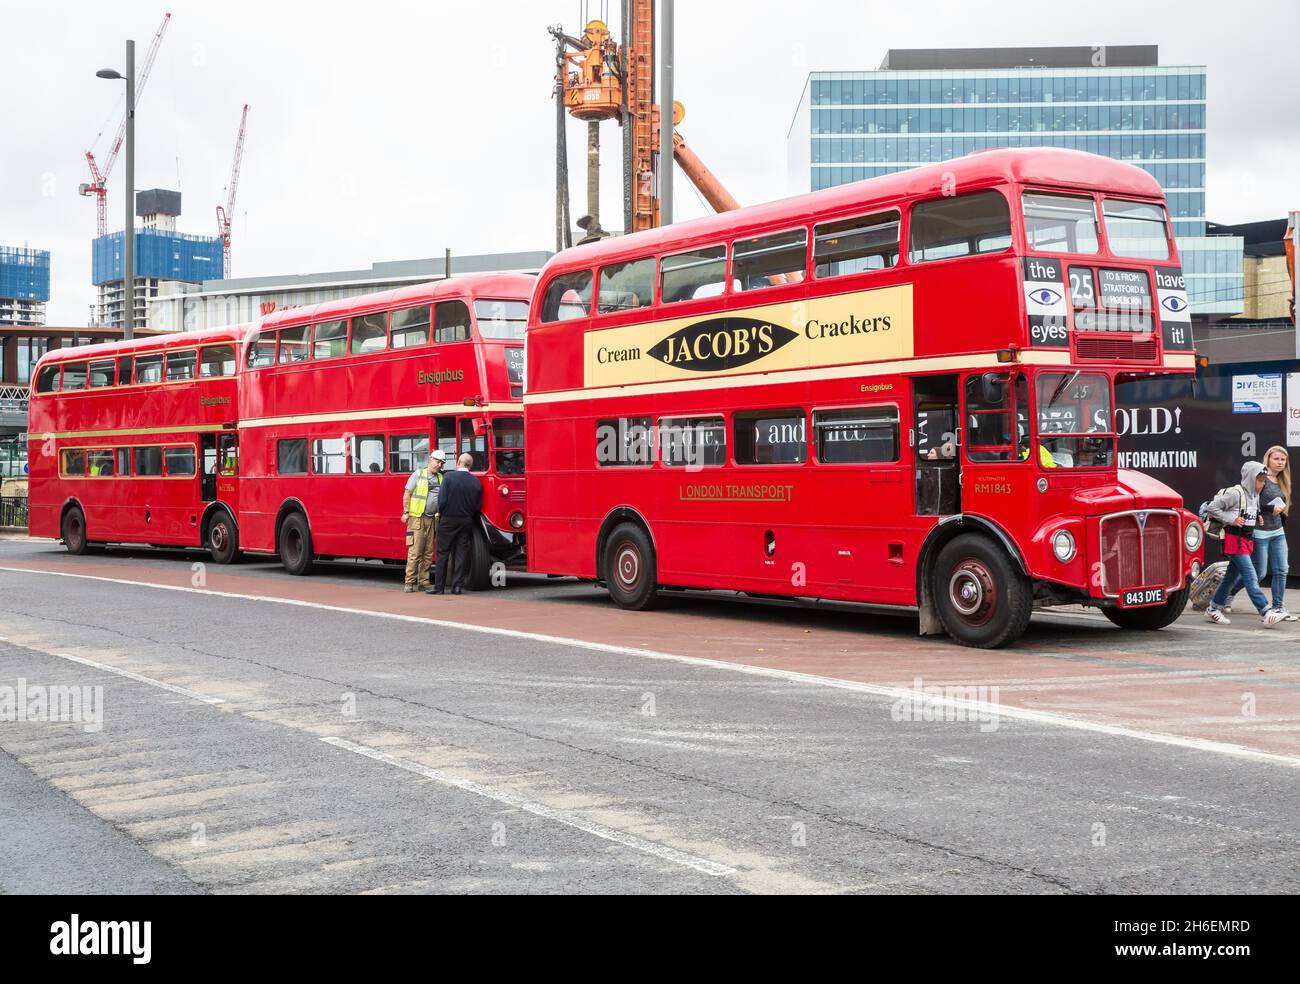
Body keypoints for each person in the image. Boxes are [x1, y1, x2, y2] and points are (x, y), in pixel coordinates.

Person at [1205, 461, 1284, 626]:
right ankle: (1266, 611)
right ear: (1250, 478)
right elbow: (1212, 508)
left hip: (1245, 542)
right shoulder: (1235, 493)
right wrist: (1231, 520)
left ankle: (1213, 609)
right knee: (1251, 576)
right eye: (1260, 480)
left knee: (1230, 578)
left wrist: (1257, 517)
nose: (1263, 484)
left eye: (1264, 480)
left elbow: (1246, 512)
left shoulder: (1254, 494)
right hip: (1235, 543)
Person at [1225, 446, 1293, 620]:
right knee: (1260, 573)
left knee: (1281, 570)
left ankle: (1278, 607)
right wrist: (1270, 508)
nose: (1280, 462)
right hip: (1260, 533)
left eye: (1283, 460)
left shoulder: (1283, 480)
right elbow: (1251, 504)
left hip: (1277, 532)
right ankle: (1229, 592)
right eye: (1276, 459)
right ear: (1268, 459)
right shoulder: (1260, 478)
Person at [429, 452, 483, 595]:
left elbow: (442, 500)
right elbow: (477, 506)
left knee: (442, 553)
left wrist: (442, 512)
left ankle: (439, 587)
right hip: (466, 520)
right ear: (470, 466)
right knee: (461, 553)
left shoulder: (448, 477)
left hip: (448, 519)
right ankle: (457, 586)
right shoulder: (476, 482)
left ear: (458, 461)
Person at [401, 449, 445, 592]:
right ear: (430, 460)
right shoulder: (418, 474)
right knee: (415, 552)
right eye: (437, 461)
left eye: (441, 463)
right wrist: (406, 512)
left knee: (428, 553)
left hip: (432, 519)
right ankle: (409, 583)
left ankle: (424, 582)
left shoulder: (440, 478)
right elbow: (407, 493)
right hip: (417, 519)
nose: (439, 465)